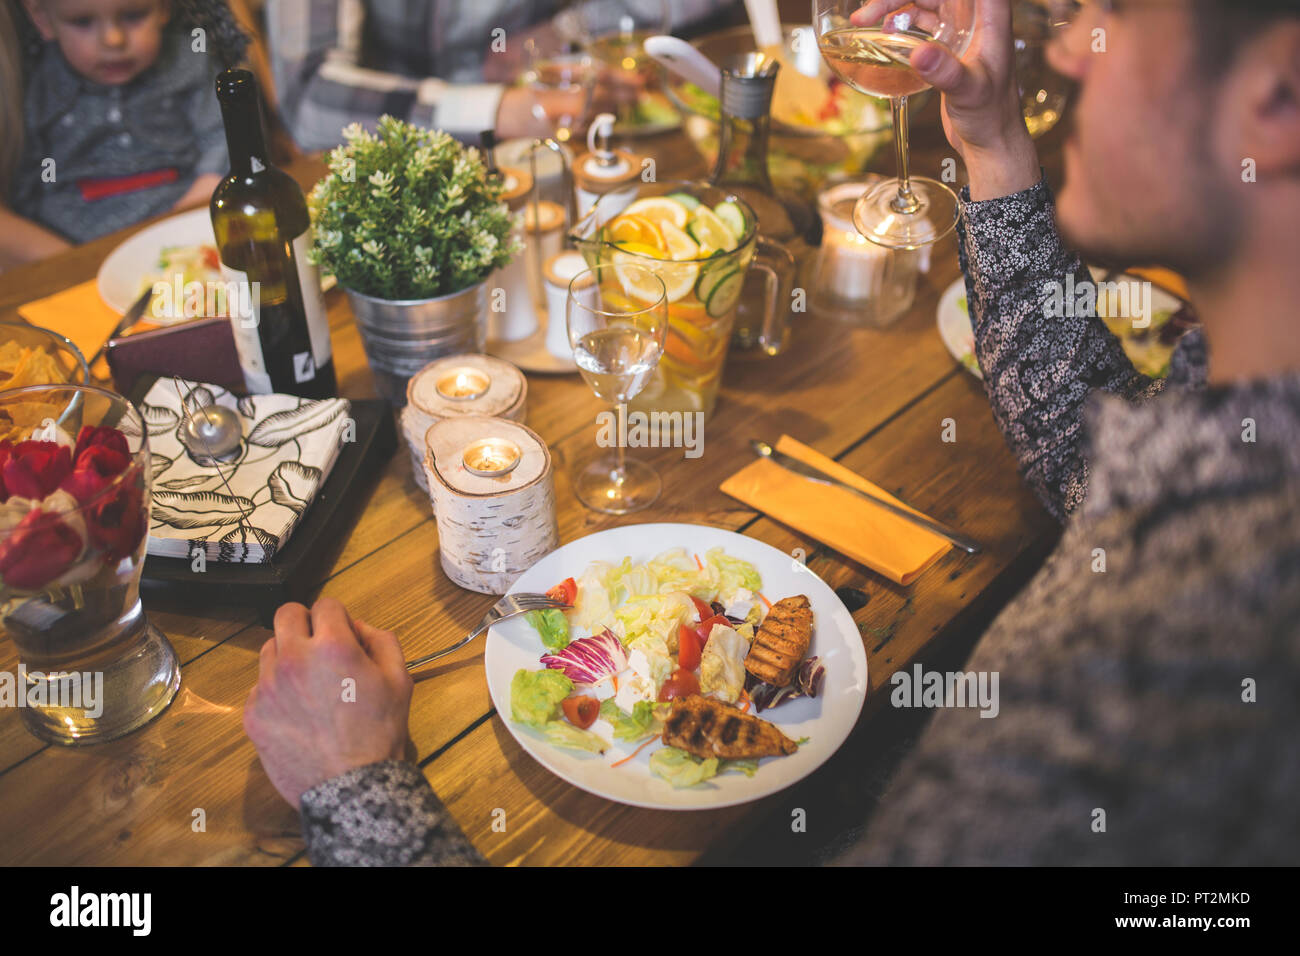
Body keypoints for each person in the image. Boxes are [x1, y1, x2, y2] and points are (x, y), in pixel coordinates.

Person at [244, 0, 1300, 866]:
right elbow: (1089, 461)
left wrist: (359, 790)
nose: (1064, 43)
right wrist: (990, 145)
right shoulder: (1238, 420)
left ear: (1277, 95)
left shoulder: (1193, 650)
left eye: (1112, 12)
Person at [264, 0, 737, 150]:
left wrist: (569, 28)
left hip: (553, 149)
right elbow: (308, 99)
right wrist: (499, 109)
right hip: (390, 153)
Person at [0, 0, 248, 266]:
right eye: (83, 22)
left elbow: (221, 133)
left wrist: (207, 186)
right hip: (74, 237)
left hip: (181, 216)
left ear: (164, 8)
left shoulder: (190, 59)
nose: (113, 40)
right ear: (43, 19)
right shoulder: (37, 86)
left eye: (133, 16)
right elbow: (28, 179)